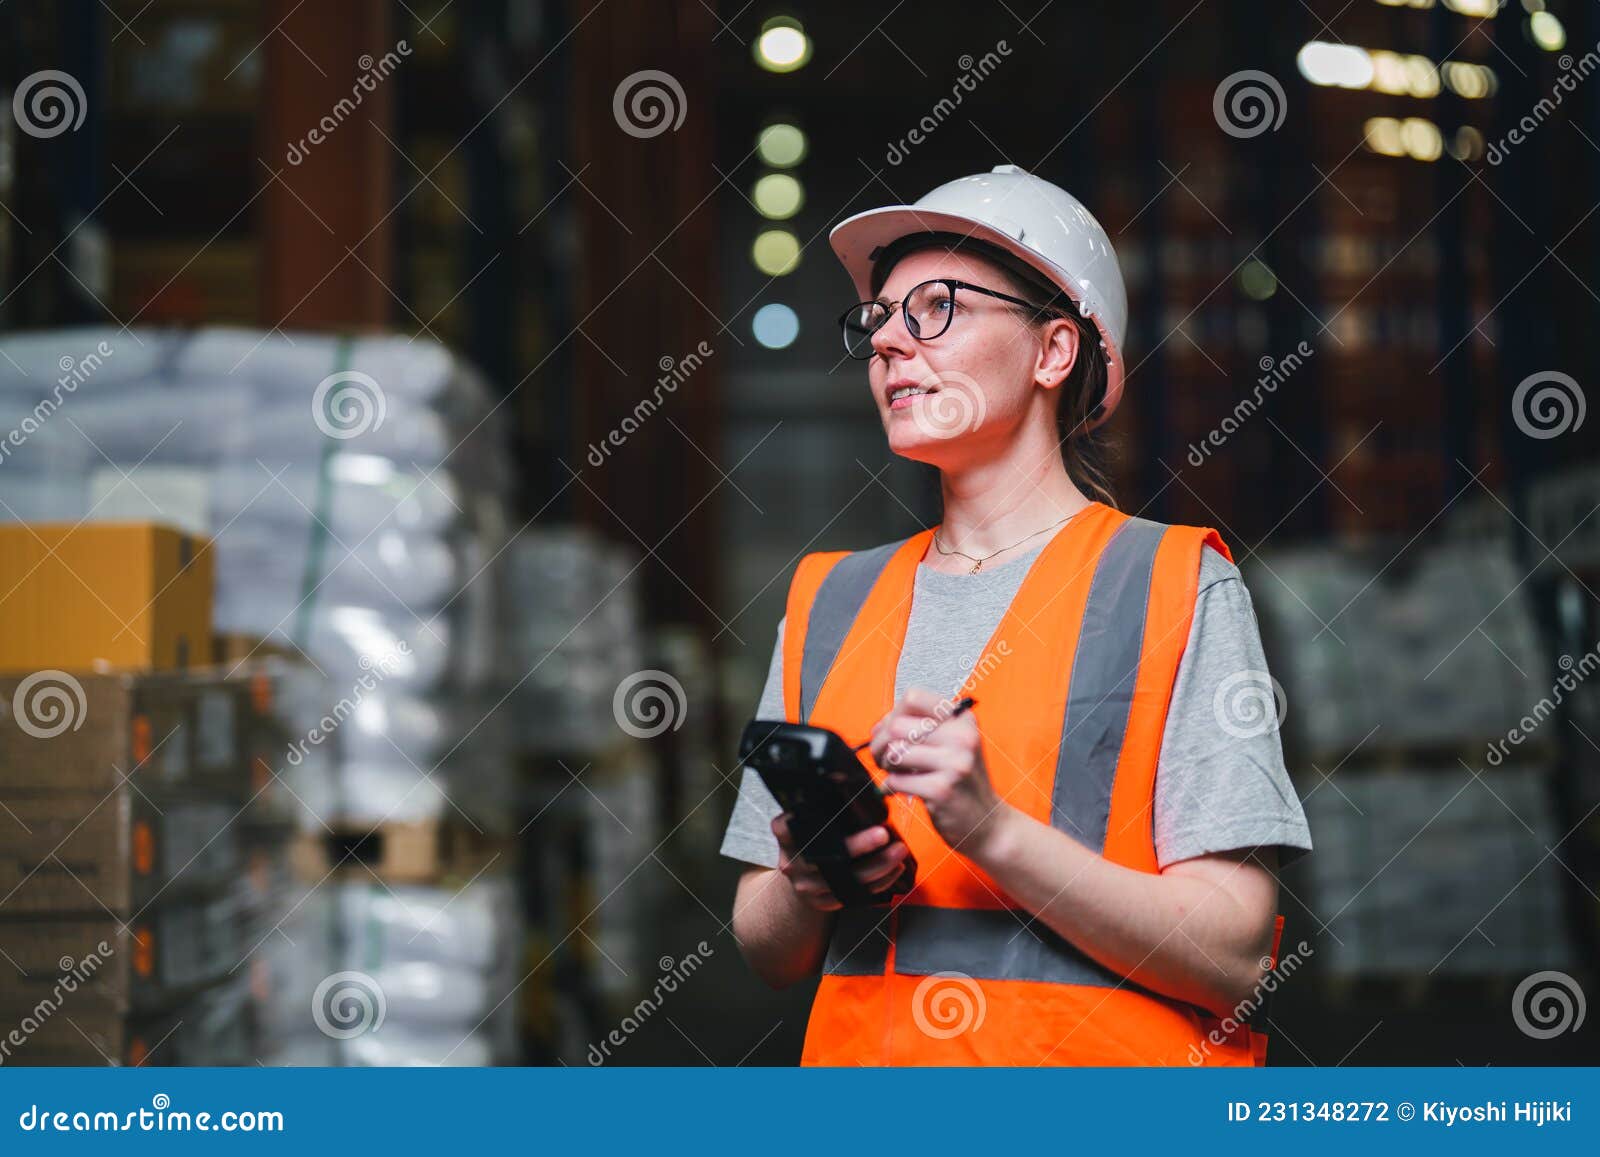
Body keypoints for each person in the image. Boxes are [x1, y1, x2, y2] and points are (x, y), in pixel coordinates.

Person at [718, 165, 1313, 1066]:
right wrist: (807, 883)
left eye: (938, 309)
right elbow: (767, 949)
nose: (888, 344)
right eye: (880, 319)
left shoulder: (1170, 584)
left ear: (1053, 352)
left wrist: (991, 831)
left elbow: (1235, 956)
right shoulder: (828, 601)